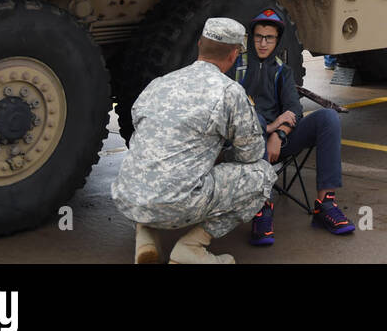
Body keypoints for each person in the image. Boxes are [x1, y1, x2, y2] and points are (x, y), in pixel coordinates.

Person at [112, 17, 274, 264]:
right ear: (233, 55)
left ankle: (145, 238)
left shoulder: (159, 84)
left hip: (128, 195)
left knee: (153, 164)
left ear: (199, 44)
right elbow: (250, 154)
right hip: (178, 204)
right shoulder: (228, 92)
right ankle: (192, 246)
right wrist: (218, 158)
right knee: (262, 175)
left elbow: (142, 135)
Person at [235, 8, 353, 242]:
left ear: (277, 41)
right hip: (244, 144)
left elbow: (293, 109)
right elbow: (232, 110)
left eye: (269, 38)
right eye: (258, 37)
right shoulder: (237, 66)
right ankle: (262, 208)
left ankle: (325, 205)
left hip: (277, 144)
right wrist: (265, 128)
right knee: (253, 119)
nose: (262, 43)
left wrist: (277, 134)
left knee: (328, 118)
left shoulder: (283, 71)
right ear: (251, 37)